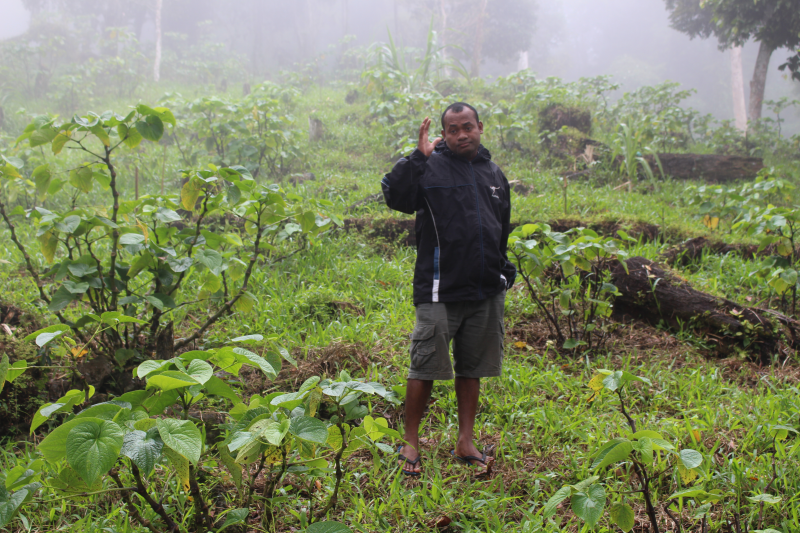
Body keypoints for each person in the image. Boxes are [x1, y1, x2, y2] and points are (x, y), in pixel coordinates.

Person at [381, 102, 516, 476]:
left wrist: (503, 271)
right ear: (443, 133)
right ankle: (410, 443)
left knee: (470, 369)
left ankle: (465, 441)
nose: (461, 135)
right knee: (424, 367)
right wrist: (417, 158)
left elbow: (501, 227)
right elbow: (395, 197)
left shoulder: (493, 174)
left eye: (467, 127)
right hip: (439, 289)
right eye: (453, 129)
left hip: (485, 290)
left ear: (480, 128)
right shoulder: (429, 168)